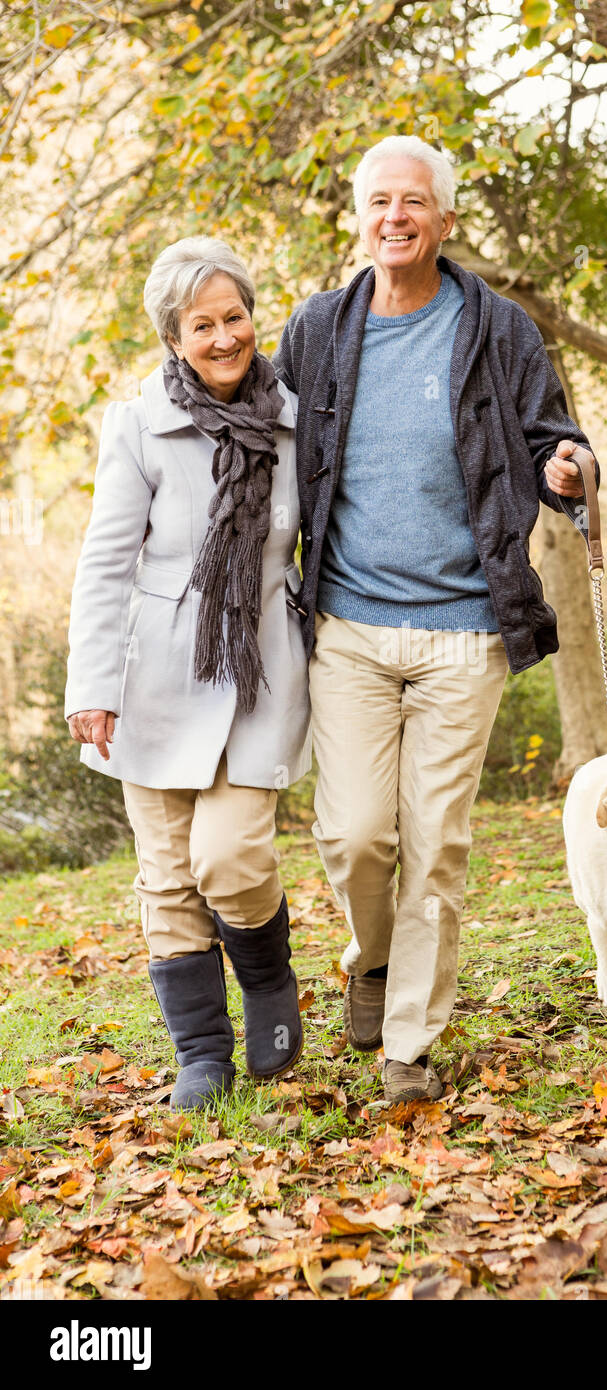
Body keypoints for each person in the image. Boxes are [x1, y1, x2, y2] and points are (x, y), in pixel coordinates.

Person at [273, 136, 596, 1104]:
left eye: (413, 202)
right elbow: (262, 436)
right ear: (358, 217)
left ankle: (406, 1045)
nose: (394, 217)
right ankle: (369, 961)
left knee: (435, 842)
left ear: (444, 219)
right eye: (378, 202)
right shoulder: (316, 330)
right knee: (358, 834)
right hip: (348, 627)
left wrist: (569, 468)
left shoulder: (497, 329)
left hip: (466, 626)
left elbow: (554, 434)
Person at [65, 237, 311, 1111]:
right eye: (201, 325)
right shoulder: (137, 423)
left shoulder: (296, 415)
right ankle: (202, 1055)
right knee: (167, 874)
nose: (222, 338)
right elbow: (105, 562)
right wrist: (90, 685)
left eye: (234, 317)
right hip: (157, 672)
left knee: (232, 854)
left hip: (261, 664)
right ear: (173, 337)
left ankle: (271, 982)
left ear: (254, 317)